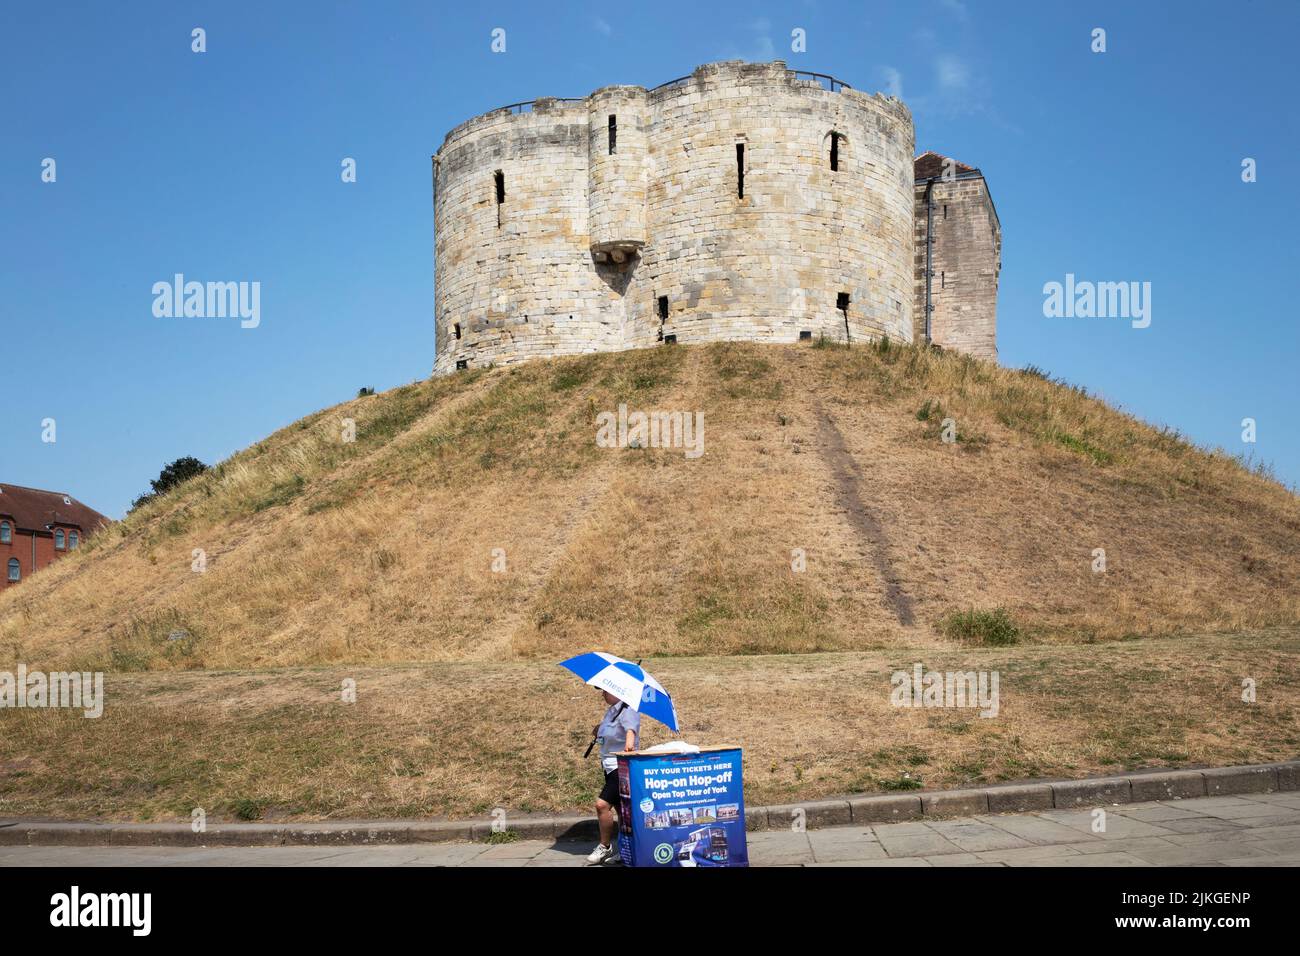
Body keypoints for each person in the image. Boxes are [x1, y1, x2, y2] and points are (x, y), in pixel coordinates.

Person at [586, 689, 640, 865]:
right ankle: (626, 851)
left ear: (619, 692)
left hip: (620, 767)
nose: (603, 694)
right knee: (621, 810)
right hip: (608, 766)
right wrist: (599, 730)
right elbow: (609, 733)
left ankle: (605, 846)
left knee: (601, 805)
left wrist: (629, 746)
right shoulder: (612, 711)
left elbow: (630, 731)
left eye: (606, 691)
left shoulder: (628, 710)